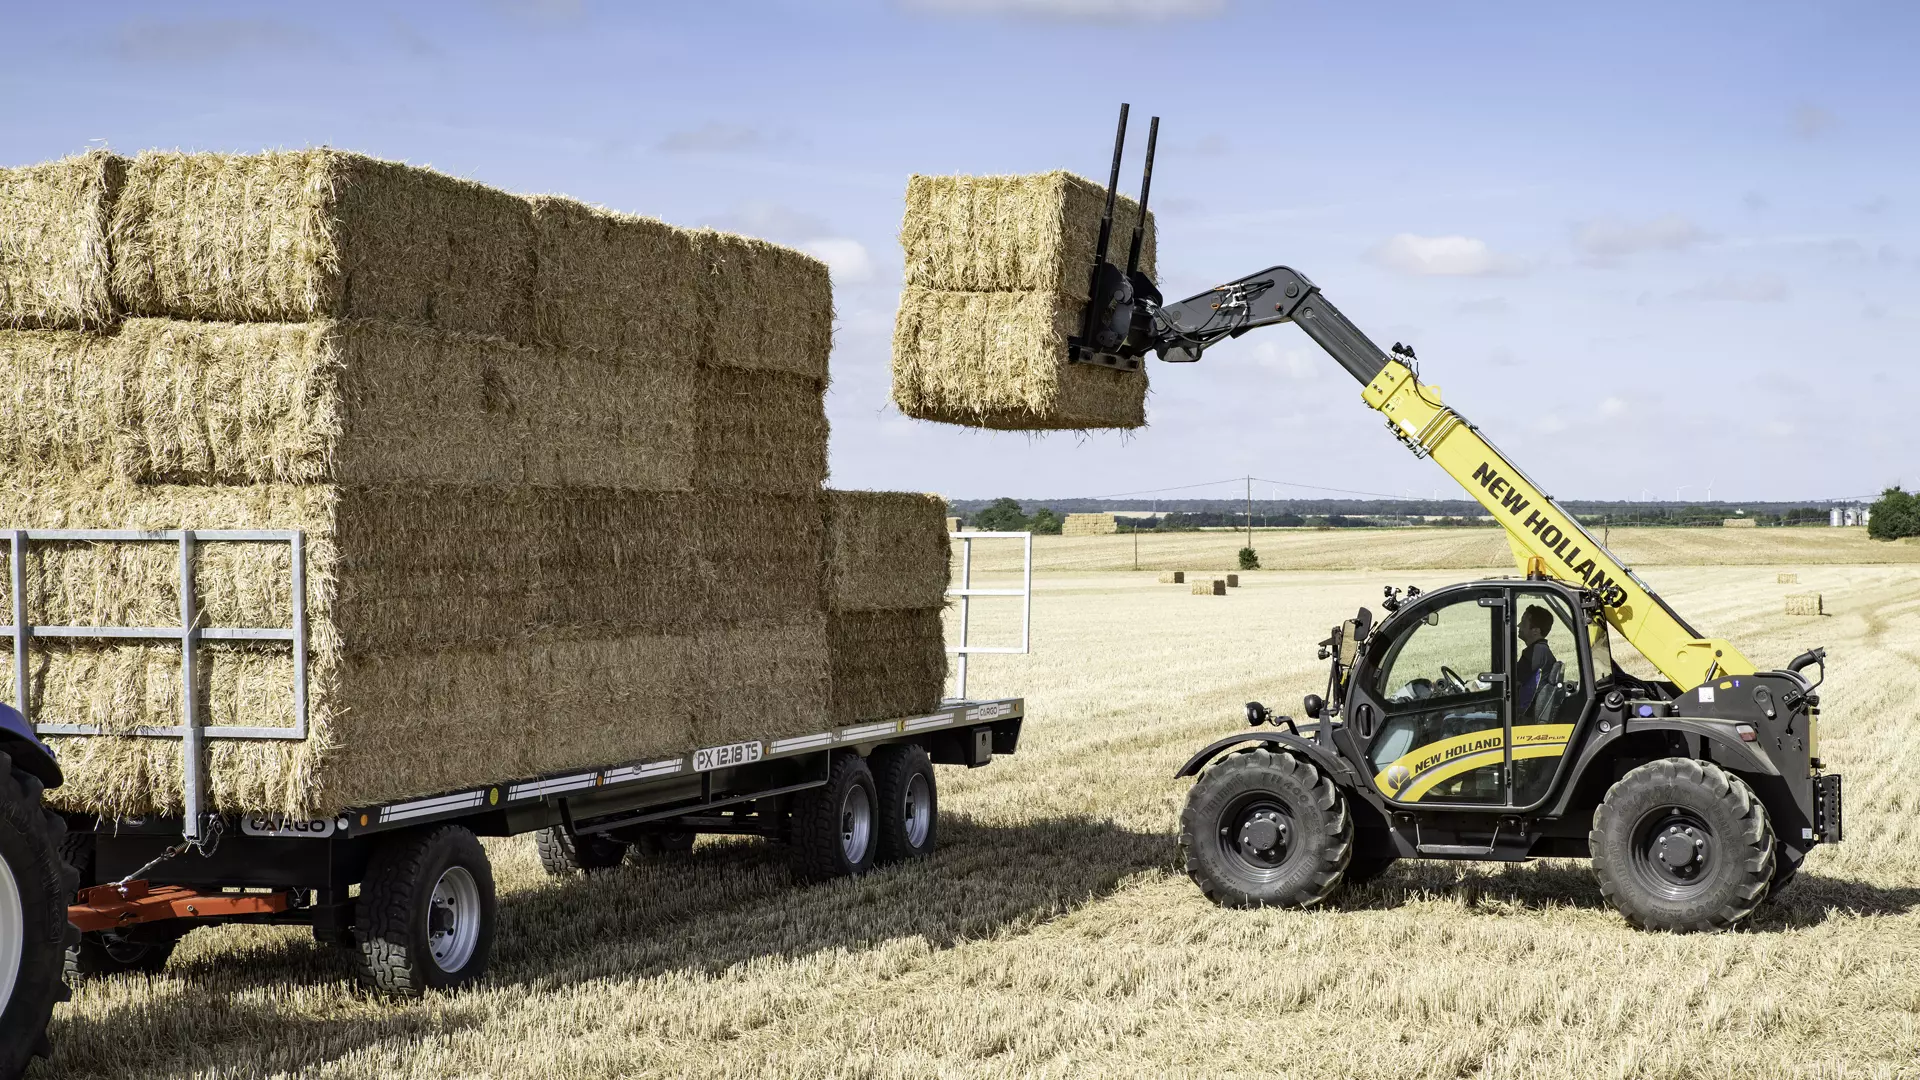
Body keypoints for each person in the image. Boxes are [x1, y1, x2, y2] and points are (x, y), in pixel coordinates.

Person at [1514, 605, 1557, 715]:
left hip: (1522, 716)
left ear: (1535, 631)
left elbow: (1511, 684)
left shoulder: (1535, 652)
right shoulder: (1542, 650)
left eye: (1523, 623)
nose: (1518, 625)